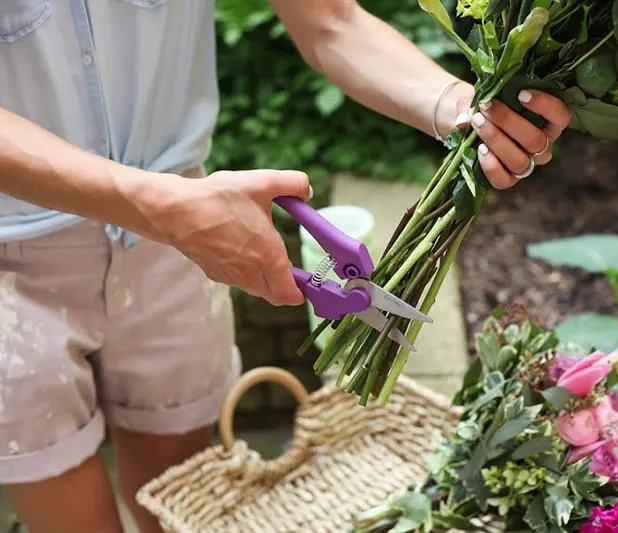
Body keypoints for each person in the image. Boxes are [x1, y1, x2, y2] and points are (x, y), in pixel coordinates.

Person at [0, 1, 572, 532]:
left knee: (178, 503)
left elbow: (330, 21)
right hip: (15, 263)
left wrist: (464, 111)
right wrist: (158, 205)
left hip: (177, 247)